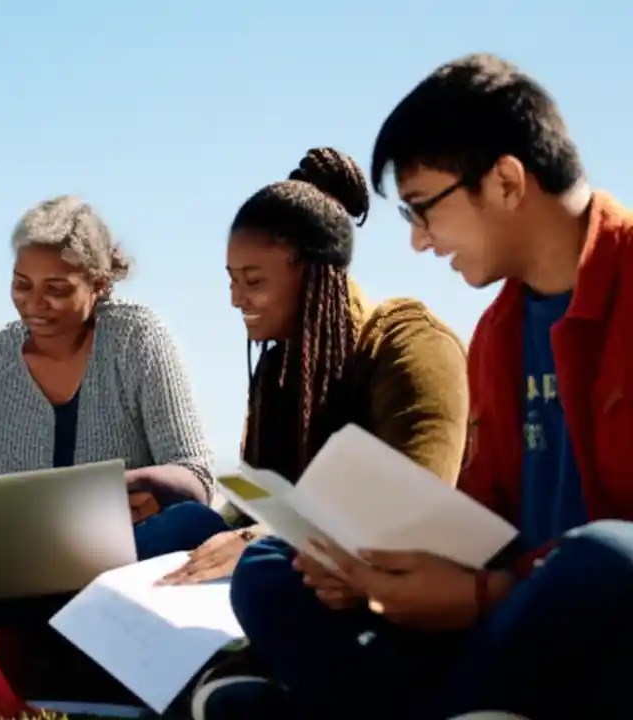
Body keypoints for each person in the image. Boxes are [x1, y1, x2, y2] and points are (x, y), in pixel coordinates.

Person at [198, 54, 633, 720]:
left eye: (424, 209)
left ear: (507, 181)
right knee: (270, 575)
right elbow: (485, 521)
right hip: (495, 626)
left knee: (605, 561)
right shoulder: (497, 332)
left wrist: (483, 595)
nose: (421, 242)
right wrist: (374, 576)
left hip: (592, 621)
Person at [162, 146, 468, 589]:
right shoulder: (279, 369)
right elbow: (261, 504)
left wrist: (258, 538)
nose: (235, 299)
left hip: (398, 588)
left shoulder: (411, 345)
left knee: (263, 564)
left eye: (254, 281)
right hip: (295, 573)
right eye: (232, 280)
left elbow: (410, 506)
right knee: (184, 525)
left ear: (315, 277)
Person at [0, 195, 223, 560]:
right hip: (20, 567)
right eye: (22, 284)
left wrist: (125, 486)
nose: (35, 303)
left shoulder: (136, 339)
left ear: (99, 284)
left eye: (56, 289)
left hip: (128, 556)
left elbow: (196, 477)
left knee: (193, 524)